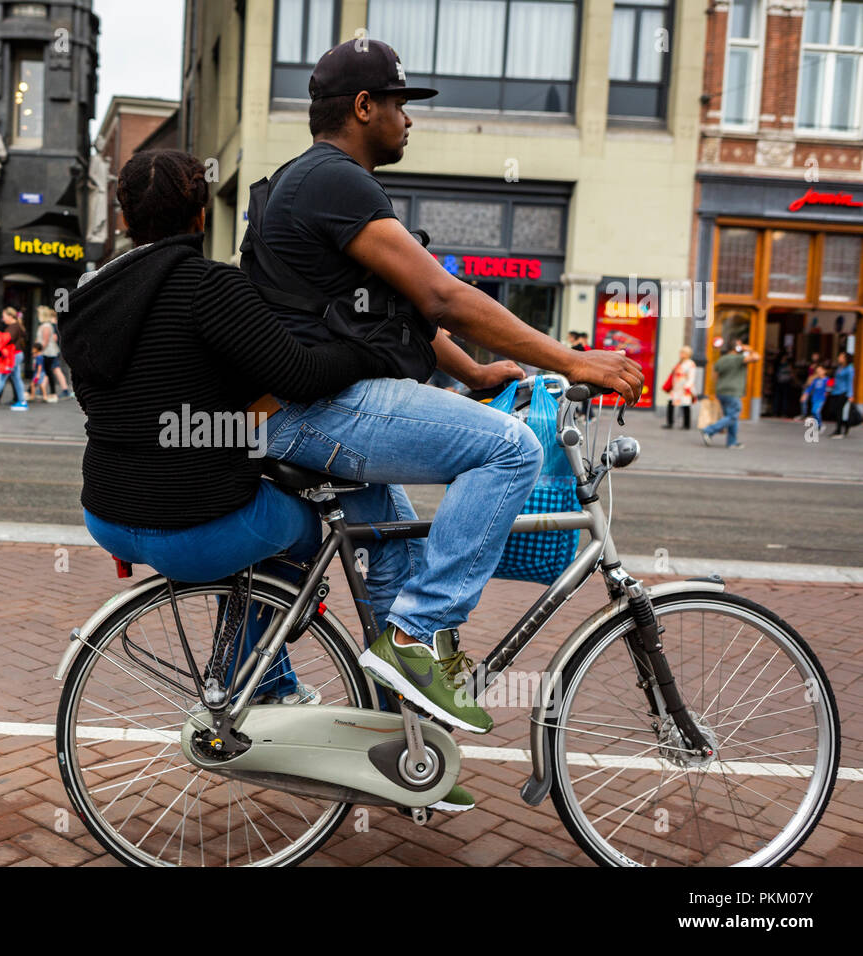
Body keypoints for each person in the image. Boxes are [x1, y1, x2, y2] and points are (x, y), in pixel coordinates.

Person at [238, 39, 640, 762]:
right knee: (506, 447)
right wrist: (573, 358)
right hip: (316, 409)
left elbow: (393, 319)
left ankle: (407, 757)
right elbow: (443, 295)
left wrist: (481, 374)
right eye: (399, 104)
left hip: (292, 409)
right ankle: (418, 639)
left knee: (392, 560)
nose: (407, 120)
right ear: (364, 107)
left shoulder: (302, 183)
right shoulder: (337, 181)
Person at [62, 149, 404, 715]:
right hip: (192, 530)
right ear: (201, 213)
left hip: (107, 514)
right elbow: (299, 375)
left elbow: (124, 399)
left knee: (246, 516)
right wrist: (368, 352)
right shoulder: (211, 286)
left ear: (125, 218)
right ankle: (258, 676)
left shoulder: (84, 298)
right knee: (298, 527)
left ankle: (264, 667)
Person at [700, 339, 758, 448]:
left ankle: (732, 442)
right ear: (737, 348)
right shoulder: (739, 358)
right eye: (740, 346)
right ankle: (708, 431)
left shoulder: (721, 360)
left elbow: (714, 376)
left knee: (731, 417)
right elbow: (756, 357)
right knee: (733, 416)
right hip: (733, 392)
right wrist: (750, 349)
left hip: (721, 391)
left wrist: (715, 391)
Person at [35, 304, 73, 400]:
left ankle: (63, 390)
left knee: (52, 370)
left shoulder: (50, 325)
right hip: (53, 350)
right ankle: (61, 390)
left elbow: (52, 339)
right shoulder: (54, 324)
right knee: (52, 369)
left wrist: (39, 350)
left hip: (50, 351)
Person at [662, 345, 696, 429]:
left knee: (685, 405)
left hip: (684, 388)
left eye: (683, 352)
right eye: (681, 352)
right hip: (676, 388)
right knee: (671, 403)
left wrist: (687, 386)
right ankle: (670, 422)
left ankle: (686, 424)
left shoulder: (690, 364)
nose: (681, 354)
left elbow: (691, 377)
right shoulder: (680, 363)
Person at [824, 351, 856, 439]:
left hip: (844, 392)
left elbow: (850, 382)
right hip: (836, 391)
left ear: (845, 358)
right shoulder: (839, 367)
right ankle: (844, 425)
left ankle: (838, 430)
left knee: (839, 411)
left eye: (841, 356)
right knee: (833, 410)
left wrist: (850, 395)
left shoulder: (850, 368)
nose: (839, 358)